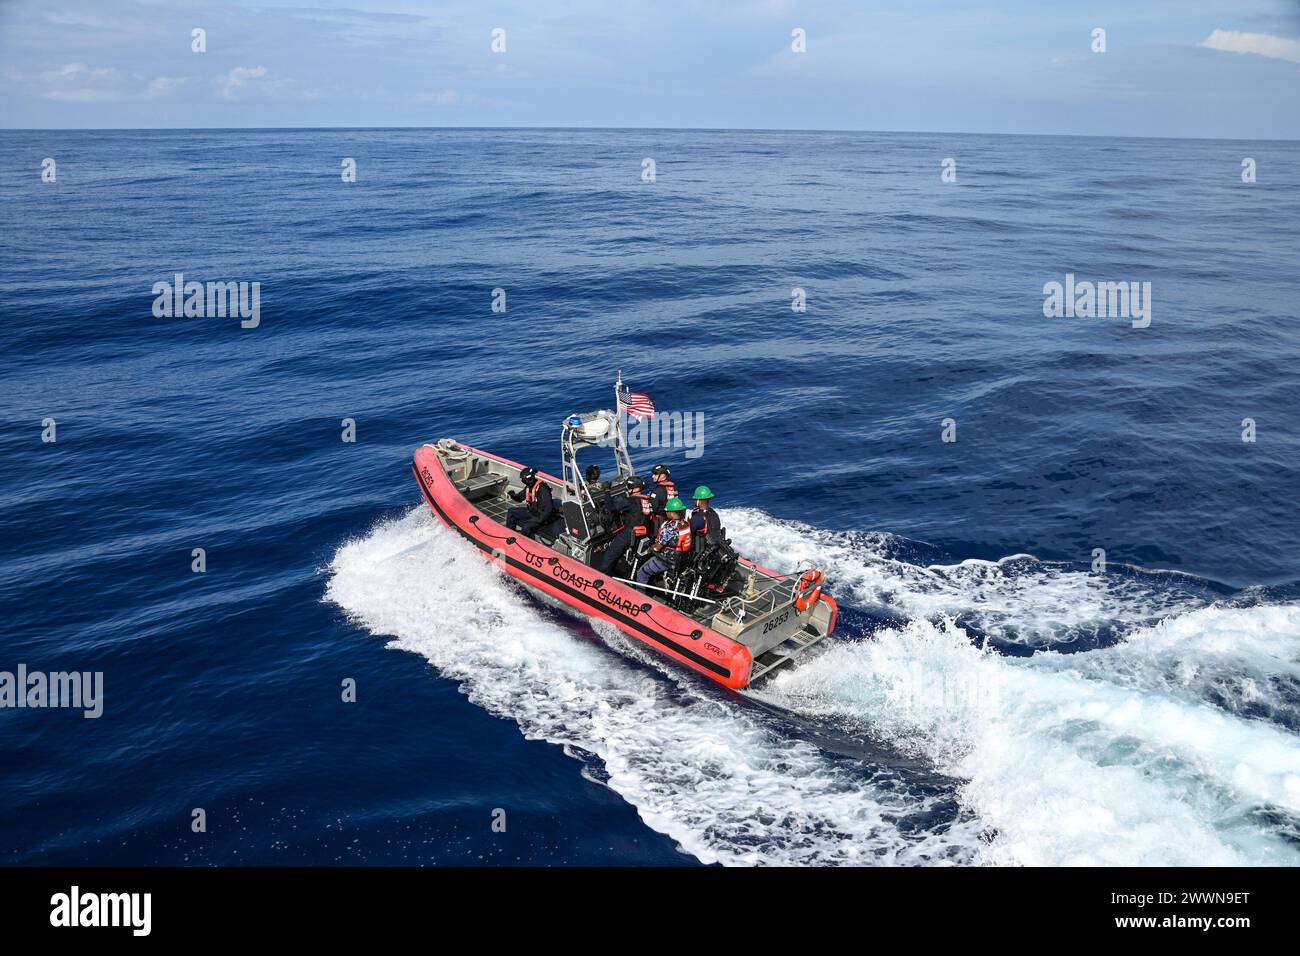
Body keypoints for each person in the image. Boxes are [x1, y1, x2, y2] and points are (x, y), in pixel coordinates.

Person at [593, 475, 653, 574]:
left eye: (629, 487)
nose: (628, 489)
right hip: (641, 533)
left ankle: (601, 575)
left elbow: (610, 507)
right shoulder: (646, 500)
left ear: (636, 488)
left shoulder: (631, 501)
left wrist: (607, 491)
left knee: (609, 555)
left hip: (629, 534)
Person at [635, 497, 692, 585]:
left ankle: (640, 595)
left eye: (667, 511)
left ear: (672, 513)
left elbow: (657, 547)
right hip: (680, 559)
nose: (666, 512)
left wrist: (650, 549)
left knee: (641, 573)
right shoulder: (685, 524)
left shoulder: (670, 527)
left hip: (666, 560)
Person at [505, 466, 556, 537]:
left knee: (526, 527)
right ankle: (509, 535)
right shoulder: (529, 487)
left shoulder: (543, 489)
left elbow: (548, 508)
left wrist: (539, 520)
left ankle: (526, 543)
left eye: (524, 480)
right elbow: (520, 498)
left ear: (529, 479)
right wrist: (513, 495)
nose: (524, 482)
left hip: (541, 516)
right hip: (532, 512)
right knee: (511, 511)